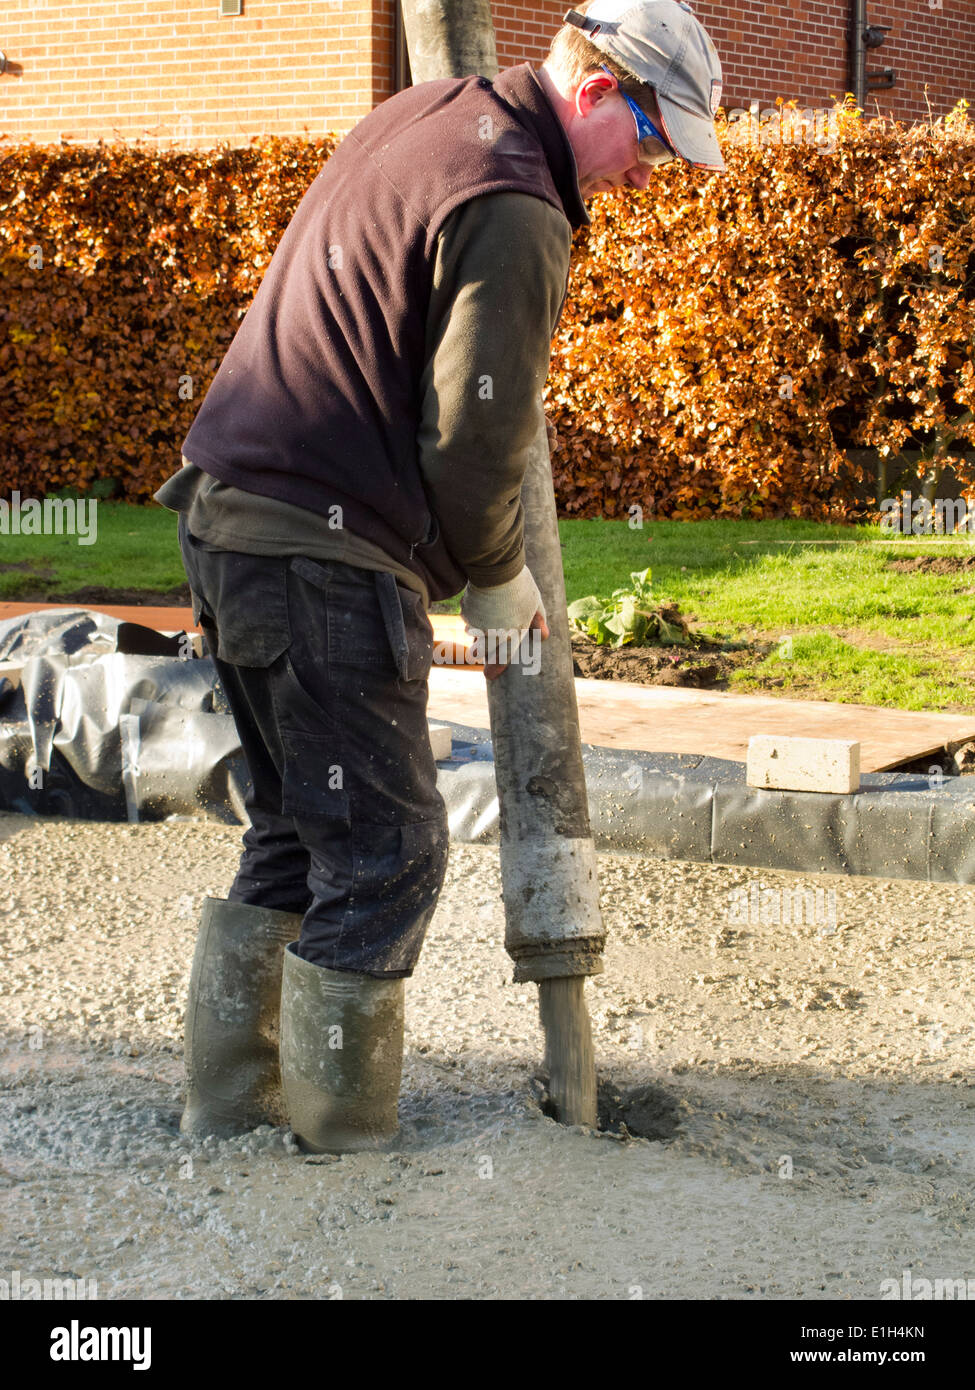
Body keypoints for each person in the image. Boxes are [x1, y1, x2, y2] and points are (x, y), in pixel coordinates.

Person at [155, 0, 725, 1153]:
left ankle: (229, 1116)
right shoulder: (516, 204)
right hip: (320, 553)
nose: (645, 177)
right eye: (653, 144)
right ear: (598, 92)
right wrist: (498, 572)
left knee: (296, 829)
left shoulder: (426, 115)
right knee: (388, 854)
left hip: (227, 518)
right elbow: (471, 433)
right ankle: (343, 1153)